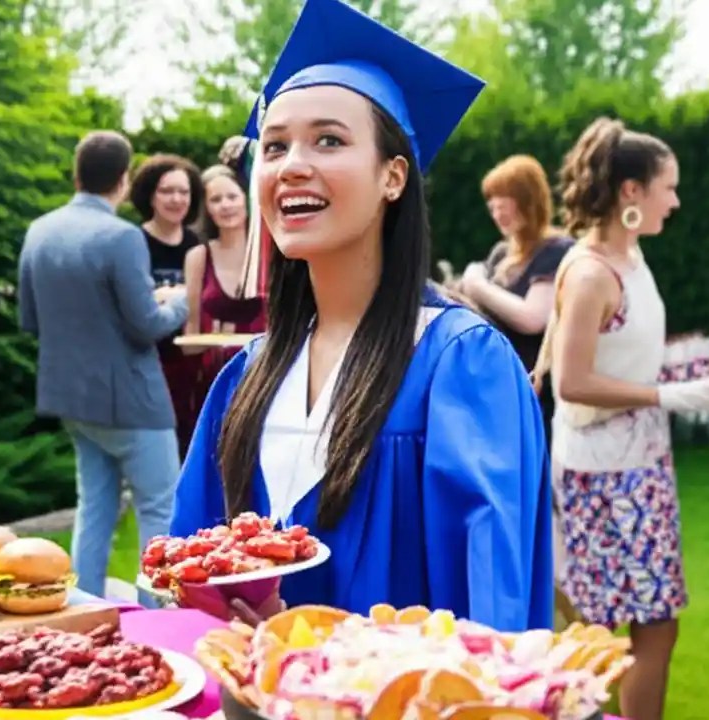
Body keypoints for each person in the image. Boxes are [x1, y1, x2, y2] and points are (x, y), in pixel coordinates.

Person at [169, 0, 552, 632]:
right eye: (274, 145)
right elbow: (193, 570)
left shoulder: (460, 365)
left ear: (393, 177)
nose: (292, 163)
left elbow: (493, 608)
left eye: (329, 139)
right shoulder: (246, 375)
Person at [533, 117, 709, 720]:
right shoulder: (593, 272)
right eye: (667, 187)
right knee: (605, 632)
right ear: (630, 192)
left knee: (653, 626)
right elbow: (572, 382)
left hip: (641, 467)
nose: (675, 200)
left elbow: (629, 351)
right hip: (603, 476)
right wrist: (668, 397)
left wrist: (698, 360)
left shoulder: (629, 256)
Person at [16, 131, 189, 604]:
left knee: (94, 507)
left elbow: (29, 319)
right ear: (123, 179)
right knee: (160, 508)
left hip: (70, 398)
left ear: (77, 174)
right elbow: (147, 325)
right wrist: (181, 301)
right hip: (132, 399)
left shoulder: (40, 230)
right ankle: (157, 618)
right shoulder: (121, 236)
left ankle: (83, 612)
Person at [458, 154, 573, 436]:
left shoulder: (556, 250)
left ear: (528, 202)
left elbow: (533, 318)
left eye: (504, 206)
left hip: (534, 392)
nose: (497, 215)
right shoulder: (501, 252)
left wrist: (476, 284)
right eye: (493, 207)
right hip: (496, 386)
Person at [130, 154, 206, 455]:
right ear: (150, 195)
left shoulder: (197, 245)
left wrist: (168, 294)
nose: (176, 199)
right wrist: (184, 292)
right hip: (147, 365)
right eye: (166, 191)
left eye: (183, 192)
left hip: (191, 363)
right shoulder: (132, 242)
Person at [181, 165, 265, 398]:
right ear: (207, 209)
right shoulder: (198, 257)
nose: (225, 205)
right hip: (216, 381)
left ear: (247, 200)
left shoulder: (272, 252)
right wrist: (218, 340)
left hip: (265, 377)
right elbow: (189, 343)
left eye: (232, 196)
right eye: (216, 199)